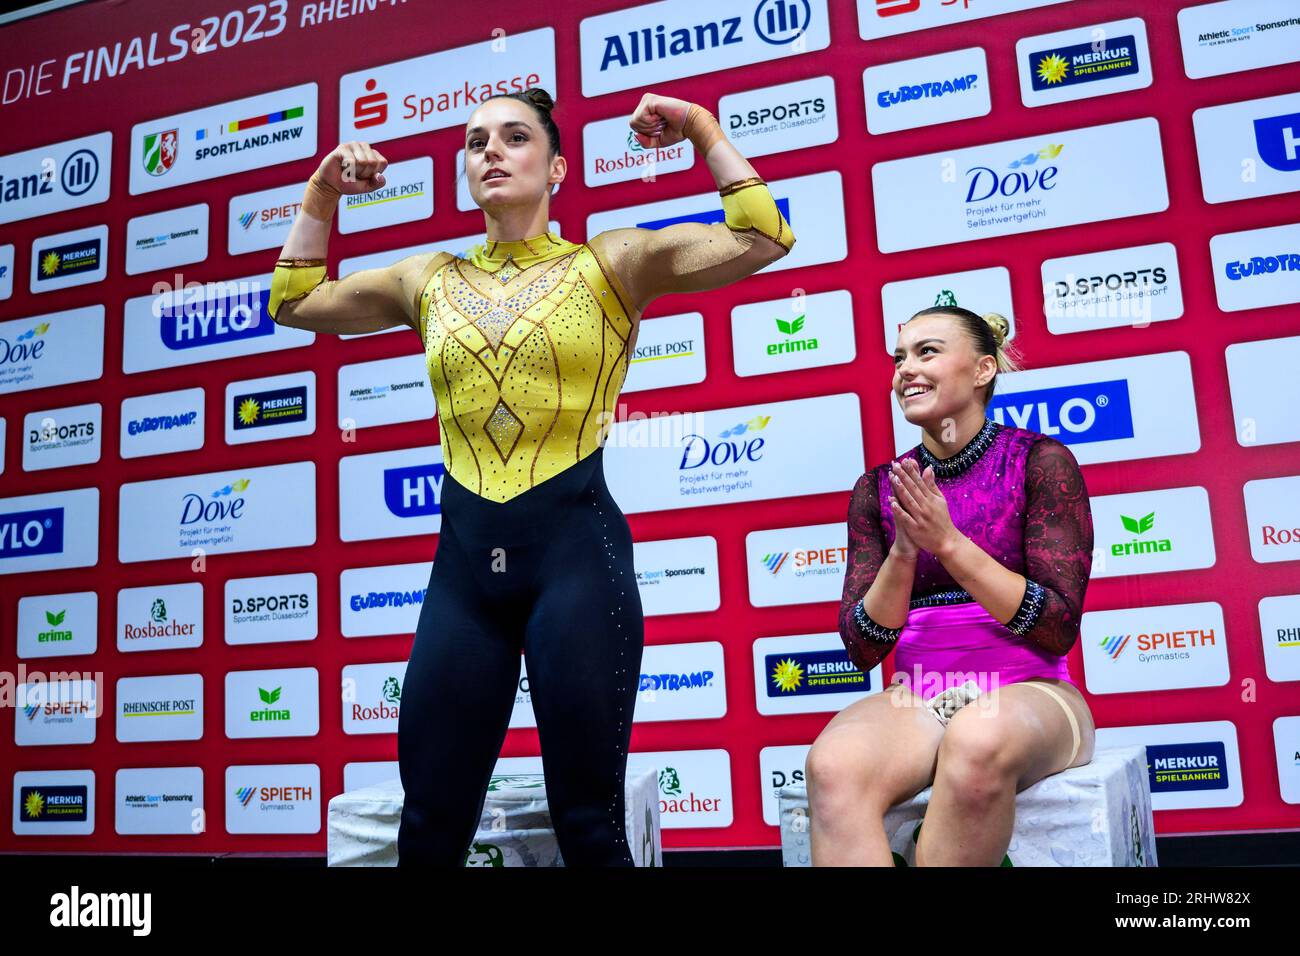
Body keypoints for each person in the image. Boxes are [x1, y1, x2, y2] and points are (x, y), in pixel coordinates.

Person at [266, 88, 795, 865]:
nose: (491, 150)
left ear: (557, 169)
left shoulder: (610, 261)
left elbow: (764, 235)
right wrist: (320, 193)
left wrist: (700, 127)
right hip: (464, 584)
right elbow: (293, 299)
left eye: (515, 138)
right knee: (430, 827)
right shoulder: (427, 280)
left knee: (588, 825)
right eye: (476, 140)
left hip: (576, 563)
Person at [805, 306, 1097, 867]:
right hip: (917, 696)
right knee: (832, 766)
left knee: (976, 741)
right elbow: (863, 648)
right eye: (899, 358)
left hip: (1035, 691)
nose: (905, 370)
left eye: (927, 352)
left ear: (984, 369)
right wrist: (906, 550)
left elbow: (1058, 628)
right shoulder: (879, 490)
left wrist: (950, 543)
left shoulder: (1041, 462)